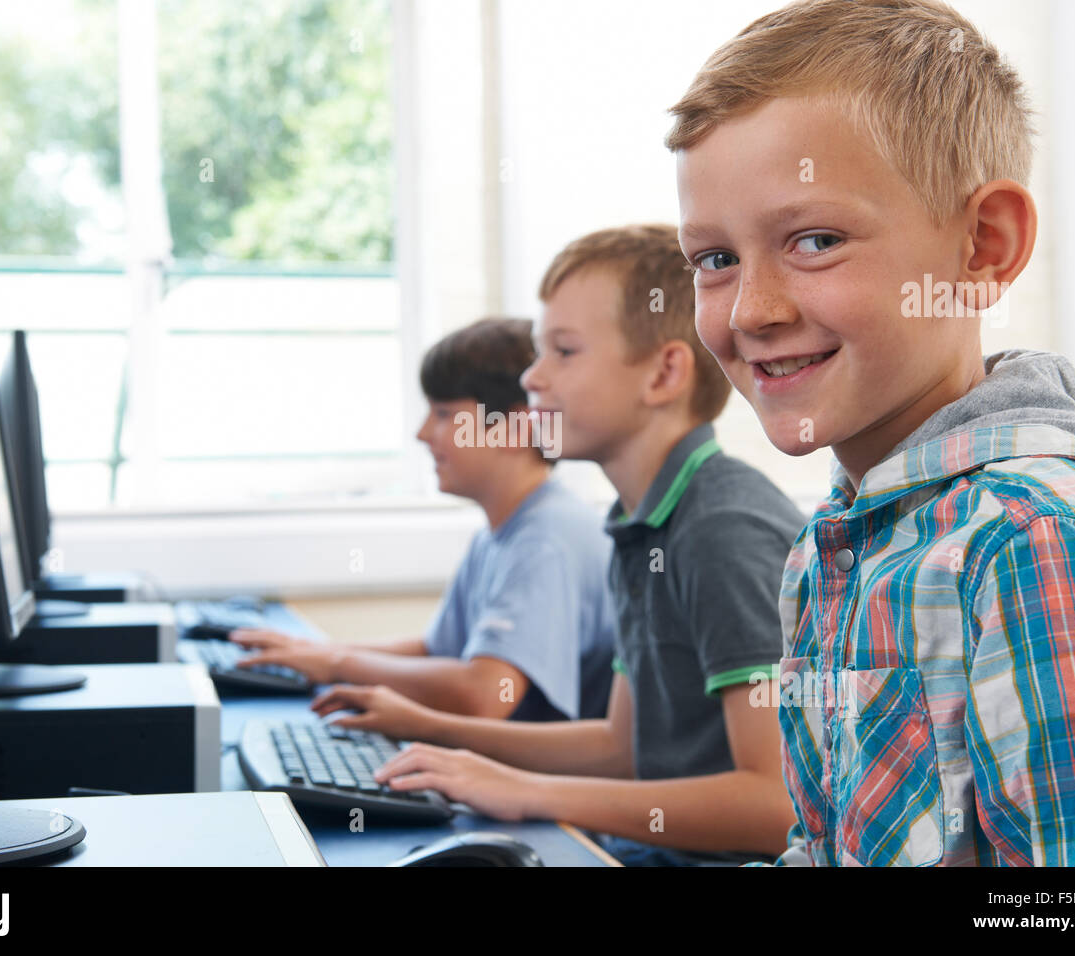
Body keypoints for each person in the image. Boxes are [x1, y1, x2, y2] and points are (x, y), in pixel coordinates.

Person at [670, 0, 1075, 864]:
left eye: (815, 240)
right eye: (716, 260)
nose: (752, 310)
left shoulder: (1033, 540)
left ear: (983, 247)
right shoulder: (837, 542)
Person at [315, 225, 806, 864]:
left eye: (564, 352)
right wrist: (434, 733)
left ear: (663, 373)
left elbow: (777, 807)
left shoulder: (720, 529)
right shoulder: (640, 522)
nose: (531, 378)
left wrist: (529, 791)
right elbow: (622, 747)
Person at [233, 317, 617, 722]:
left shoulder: (547, 539)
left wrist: (339, 664)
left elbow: (485, 695)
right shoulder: (502, 531)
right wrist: (316, 653)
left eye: (443, 413)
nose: (421, 433)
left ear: (517, 428)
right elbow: (437, 650)